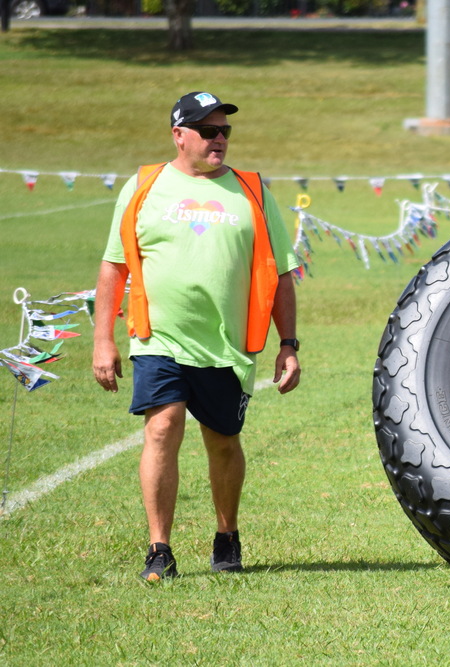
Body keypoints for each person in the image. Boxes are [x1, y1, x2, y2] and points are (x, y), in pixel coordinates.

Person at [92, 92, 302, 582]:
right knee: (162, 427)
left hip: (226, 346)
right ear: (179, 135)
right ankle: (158, 549)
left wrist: (288, 344)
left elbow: (283, 275)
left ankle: (226, 534)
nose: (220, 140)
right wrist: (103, 339)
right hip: (157, 337)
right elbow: (113, 266)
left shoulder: (251, 191)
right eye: (209, 131)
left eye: (225, 131)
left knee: (223, 442)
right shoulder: (143, 187)